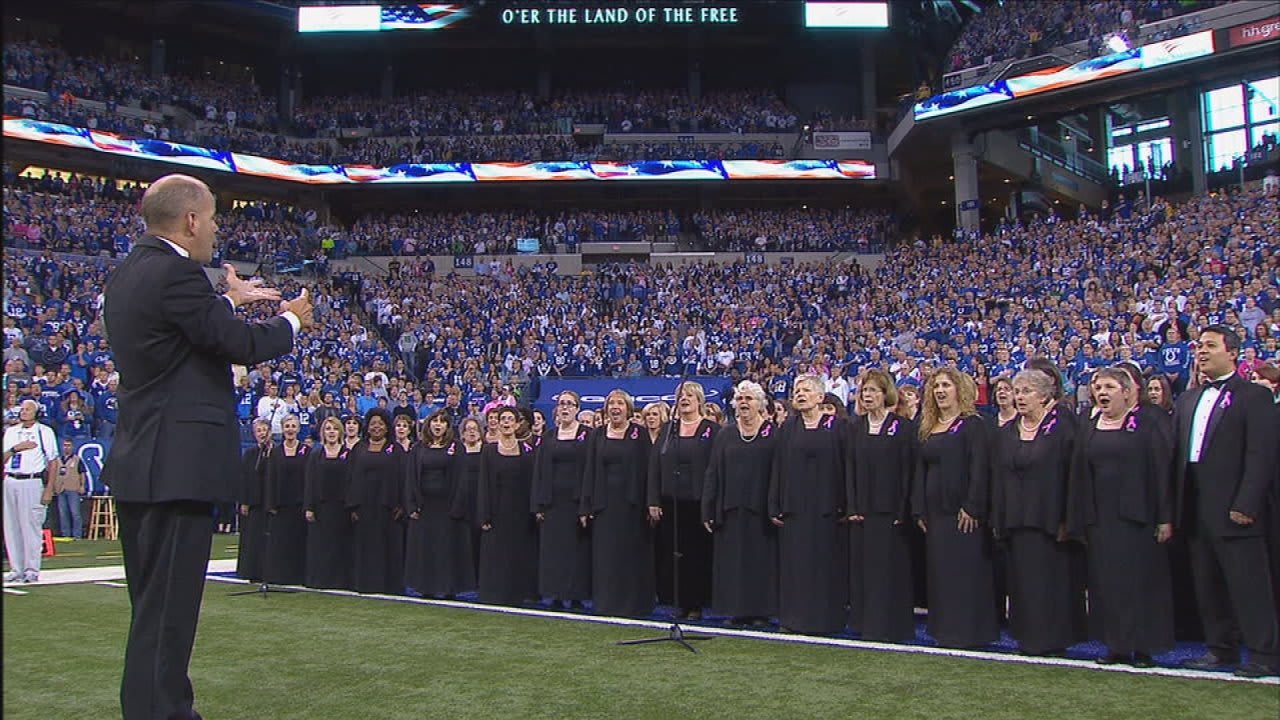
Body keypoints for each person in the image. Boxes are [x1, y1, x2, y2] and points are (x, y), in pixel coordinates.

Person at [101, 173, 311, 720]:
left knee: (152, 608)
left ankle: (161, 709)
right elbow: (236, 342)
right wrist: (291, 320)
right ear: (191, 220)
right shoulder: (178, 274)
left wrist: (224, 298)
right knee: (168, 613)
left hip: (142, 465)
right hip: (177, 468)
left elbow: (183, 333)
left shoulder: (130, 273)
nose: (216, 228)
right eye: (213, 217)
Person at [1175, 325, 1279, 677]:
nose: (1201, 351)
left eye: (1209, 345)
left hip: (1234, 506)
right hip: (1195, 506)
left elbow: (1261, 454)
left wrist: (1246, 502)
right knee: (1208, 583)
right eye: (1199, 346)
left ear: (1232, 352)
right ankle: (1221, 649)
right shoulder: (1188, 399)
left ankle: (1264, 653)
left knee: (1249, 584)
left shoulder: (1254, 396)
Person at [1069, 367, 1174, 666]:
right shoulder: (1089, 425)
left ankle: (1142, 647)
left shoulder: (1148, 422)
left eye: (1110, 387)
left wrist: (1165, 517)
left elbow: (1161, 472)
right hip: (1100, 517)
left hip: (1137, 516)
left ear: (1128, 392)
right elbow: (1079, 473)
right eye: (1098, 387)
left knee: (1139, 582)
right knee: (1107, 582)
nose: (1102, 392)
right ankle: (1115, 644)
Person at [991, 369, 1084, 656]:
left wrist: (1068, 518)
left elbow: (1073, 476)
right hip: (1016, 520)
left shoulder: (1063, 428)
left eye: (1027, 391)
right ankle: (1027, 637)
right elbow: (997, 476)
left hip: (1050, 521)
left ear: (1044, 396)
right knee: (1022, 582)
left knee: (1051, 582)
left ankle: (1053, 639)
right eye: (1017, 392)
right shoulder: (1007, 433)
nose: (1020, 397)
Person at [912, 368, 998, 649]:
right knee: (941, 572)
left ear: (959, 389)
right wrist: (920, 510)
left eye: (946, 385)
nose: (940, 391)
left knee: (967, 571)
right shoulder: (927, 426)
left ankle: (969, 631)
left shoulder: (973, 424)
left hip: (962, 512)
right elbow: (919, 470)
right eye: (936, 386)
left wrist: (973, 506)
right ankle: (945, 630)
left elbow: (980, 467)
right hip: (935, 514)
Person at [769, 375, 850, 634]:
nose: (800, 394)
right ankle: (794, 620)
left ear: (820, 397)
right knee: (797, 565)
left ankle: (825, 620)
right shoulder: (789, 428)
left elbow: (846, 466)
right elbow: (778, 468)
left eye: (806, 390)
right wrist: (774, 503)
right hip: (796, 508)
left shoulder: (837, 426)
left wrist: (848, 504)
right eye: (796, 390)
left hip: (828, 507)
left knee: (825, 565)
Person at [847, 370, 916, 643]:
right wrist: (852, 505)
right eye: (864, 391)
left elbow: (907, 471)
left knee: (890, 569)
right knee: (866, 570)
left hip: (891, 513)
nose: (868, 396)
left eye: (873, 391)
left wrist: (903, 509)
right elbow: (849, 468)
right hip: (863, 511)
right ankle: (866, 624)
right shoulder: (855, 427)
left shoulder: (902, 427)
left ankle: (891, 625)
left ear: (885, 393)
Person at [702, 380, 778, 626]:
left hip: (761, 510)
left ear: (760, 404)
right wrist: (708, 508)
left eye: (749, 399)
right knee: (733, 562)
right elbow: (713, 471)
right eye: (740, 399)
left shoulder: (772, 432)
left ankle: (760, 611)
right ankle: (736, 610)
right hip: (730, 508)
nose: (743, 403)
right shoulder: (726, 434)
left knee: (760, 561)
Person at [581, 389, 654, 617]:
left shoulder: (639, 434)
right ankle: (606, 603)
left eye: (620, 403)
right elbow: (589, 470)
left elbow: (650, 470)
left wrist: (651, 502)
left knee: (631, 555)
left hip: (632, 505)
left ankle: (633, 604)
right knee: (606, 557)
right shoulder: (598, 434)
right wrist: (586, 505)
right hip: (604, 505)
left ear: (628, 409)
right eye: (611, 403)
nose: (615, 407)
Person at [648, 381, 719, 620]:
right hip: (671, 502)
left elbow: (716, 467)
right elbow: (655, 466)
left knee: (697, 554)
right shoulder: (669, 429)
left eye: (690, 395)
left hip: (698, 503)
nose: (685, 399)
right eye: (681, 395)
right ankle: (679, 601)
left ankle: (697, 603)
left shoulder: (712, 429)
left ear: (700, 400)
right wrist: (653, 500)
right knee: (674, 553)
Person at [403, 410, 475, 599]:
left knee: (446, 549)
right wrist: (411, 505)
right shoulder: (418, 448)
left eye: (442, 421)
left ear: (447, 426)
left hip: (448, 508)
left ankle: (447, 587)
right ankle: (426, 587)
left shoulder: (456, 447)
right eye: (434, 421)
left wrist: (457, 507)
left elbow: (462, 478)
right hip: (424, 507)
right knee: (426, 549)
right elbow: (410, 477)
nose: (438, 424)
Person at [531, 391, 593, 609]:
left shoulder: (587, 434)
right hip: (553, 501)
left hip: (576, 501)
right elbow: (539, 470)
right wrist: (538, 504)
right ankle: (555, 593)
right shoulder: (548, 436)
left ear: (577, 408)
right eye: (561, 404)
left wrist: (587, 504)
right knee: (554, 550)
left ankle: (575, 595)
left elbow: (591, 469)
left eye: (569, 404)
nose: (565, 408)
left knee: (576, 550)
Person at [477, 405, 539, 605]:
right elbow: (484, 483)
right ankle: (496, 592)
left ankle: (520, 593)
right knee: (497, 553)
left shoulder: (528, 450)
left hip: (520, 511)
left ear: (517, 424)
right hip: (497, 510)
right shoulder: (489, 451)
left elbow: (532, 482)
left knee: (519, 552)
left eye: (510, 419)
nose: (505, 423)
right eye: (502, 419)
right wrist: (484, 514)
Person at [345, 407, 407, 595]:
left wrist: (401, 505)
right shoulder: (359, 448)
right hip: (364, 507)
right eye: (373, 424)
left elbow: (404, 478)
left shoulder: (395, 449)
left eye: (380, 424)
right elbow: (350, 477)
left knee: (388, 547)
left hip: (388, 507)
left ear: (387, 427)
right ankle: (364, 584)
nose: (376, 427)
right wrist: (352, 506)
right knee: (365, 547)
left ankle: (388, 585)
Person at [3, 399, 59, 583]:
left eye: (28, 409)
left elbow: (53, 461)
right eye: (22, 409)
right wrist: (15, 449)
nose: (24, 412)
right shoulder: (11, 432)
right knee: (11, 526)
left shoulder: (44, 432)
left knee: (31, 526)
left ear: (36, 412)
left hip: (32, 480)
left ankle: (31, 569)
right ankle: (16, 568)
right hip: (11, 479)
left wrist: (49, 489)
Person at [303, 416, 353, 590]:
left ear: (340, 432)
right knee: (321, 546)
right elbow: (310, 481)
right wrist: (309, 507)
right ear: (323, 432)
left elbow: (352, 481)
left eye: (334, 429)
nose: (331, 432)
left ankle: (340, 580)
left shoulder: (348, 453)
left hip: (341, 507)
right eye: (328, 429)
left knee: (339, 545)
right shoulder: (316, 454)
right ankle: (321, 579)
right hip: (321, 507)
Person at [264, 415, 309, 586]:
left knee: (298, 542)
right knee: (280, 543)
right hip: (280, 505)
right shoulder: (275, 452)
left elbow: (309, 478)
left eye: (293, 426)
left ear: (298, 429)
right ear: (282, 429)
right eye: (287, 426)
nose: (290, 429)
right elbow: (270, 479)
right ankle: (280, 575)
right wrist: (270, 503)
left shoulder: (305, 451)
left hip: (299, 505)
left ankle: (298, 575)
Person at [236, 420, 272, 583]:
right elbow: (244, 479)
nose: (262, 433)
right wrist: (244, 501)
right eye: (259, 430)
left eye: (265, 430)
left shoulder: (275, 452)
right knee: (252, 538)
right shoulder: (250, 454)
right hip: (253, 502)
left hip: (270, 501)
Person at [42, 437, 86, 539]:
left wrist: (82, 485)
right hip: (60, 489)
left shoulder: (77, 459)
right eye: (65, 445)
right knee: (63, 513)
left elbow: (82, 473)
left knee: (75, 513)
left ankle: (77, 535)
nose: (66, 448)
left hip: (73, 488)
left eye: (69, 445)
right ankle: (66, 534)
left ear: (72, 447)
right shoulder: (57, 460)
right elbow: (51, 473)